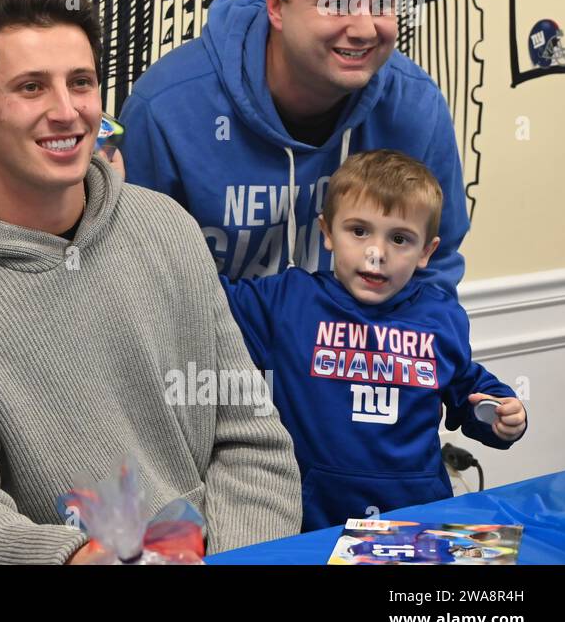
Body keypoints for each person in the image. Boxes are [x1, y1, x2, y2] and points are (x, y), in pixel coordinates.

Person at [0, 0, 302, 564]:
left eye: (81, 82)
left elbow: (252, 440)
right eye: (32, 87)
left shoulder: (167, 228)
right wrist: (81, 558)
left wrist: (230, 558)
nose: (66, 109)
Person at [118, 0, 468, 291]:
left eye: (383, 3)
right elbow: (138, 280)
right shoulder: (166, 109)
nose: (365, 28)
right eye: (338, 2)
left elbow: (435, 265)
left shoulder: (416, 106)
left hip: (357, 348)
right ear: (276, 6)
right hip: (211, 347)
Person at [220, 150, 526, 532]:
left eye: (399, 238)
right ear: (328, 232)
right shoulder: (287, 301)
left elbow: (468, 389)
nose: (376, 253)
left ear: (426, 252)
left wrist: (502, 416)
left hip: (418, 517)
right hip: (311, 516)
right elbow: (198, 291)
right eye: (359, 231)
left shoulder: (440, 316)